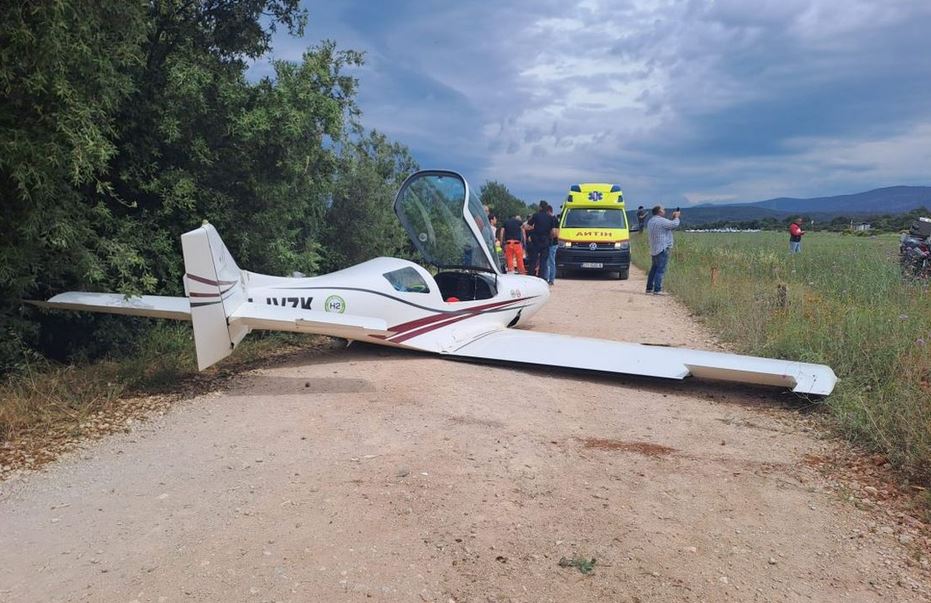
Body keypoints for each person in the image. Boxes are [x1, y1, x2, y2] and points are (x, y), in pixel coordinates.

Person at [645, 205, 680, 295]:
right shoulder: (661, 221)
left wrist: (672, 218)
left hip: (654, 248)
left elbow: (666, 225)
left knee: (654, 269)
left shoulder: (651, 221)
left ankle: (649, 288)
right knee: (661, 270)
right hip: (662, 248)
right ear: (659, 211)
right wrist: (676, 217)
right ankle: (657, 289)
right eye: (663, 209)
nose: (664, 210)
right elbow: (674, 224)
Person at [525, 201, 556, 281]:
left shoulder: (535, 215)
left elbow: (528, 226)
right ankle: (542, 278)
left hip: (536, 240)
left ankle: (531, 276)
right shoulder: (550, 218)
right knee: (543, 261)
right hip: (545, 240)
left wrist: (533, 230)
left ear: (540, 207)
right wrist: (550, 238)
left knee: (533, 259)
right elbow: (553, 231)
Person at [546, 204, 559, 285]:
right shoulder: (556, 219)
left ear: (548, 211)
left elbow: (554, 232)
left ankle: (550, 279)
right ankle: (551, 279)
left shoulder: (552, 219)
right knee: (551, 261)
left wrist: (549, 237)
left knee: (550, 262)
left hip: (552, 243)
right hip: (554, 243)